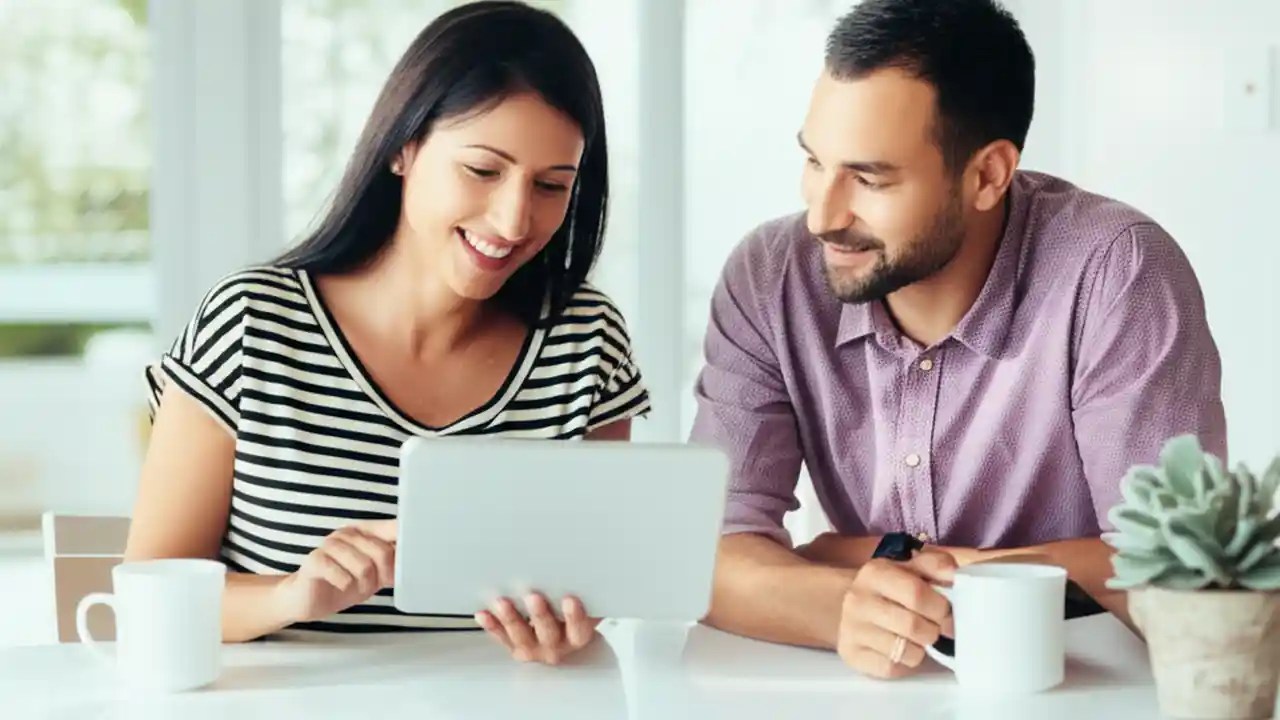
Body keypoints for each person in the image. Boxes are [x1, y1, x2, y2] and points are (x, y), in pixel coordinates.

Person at [691, 0, 1225, 680]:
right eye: (814, 161)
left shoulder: (1118, 272)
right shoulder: (770, 276)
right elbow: (710, 558)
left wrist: (876, 558)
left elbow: (1177, 568)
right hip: (875, 689)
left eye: (870, 178)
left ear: (988, 175)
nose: (822, 214)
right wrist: (845, 605)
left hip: (1082, 684)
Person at [126, 1, 649, 666]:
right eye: (482, 170)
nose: (515, 220)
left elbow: (594, 581)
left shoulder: (585, 341)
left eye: (551, 185)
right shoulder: (252, 325)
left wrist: (571, 626)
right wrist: (291, 596)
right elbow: (150, 592)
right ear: (404, 147)